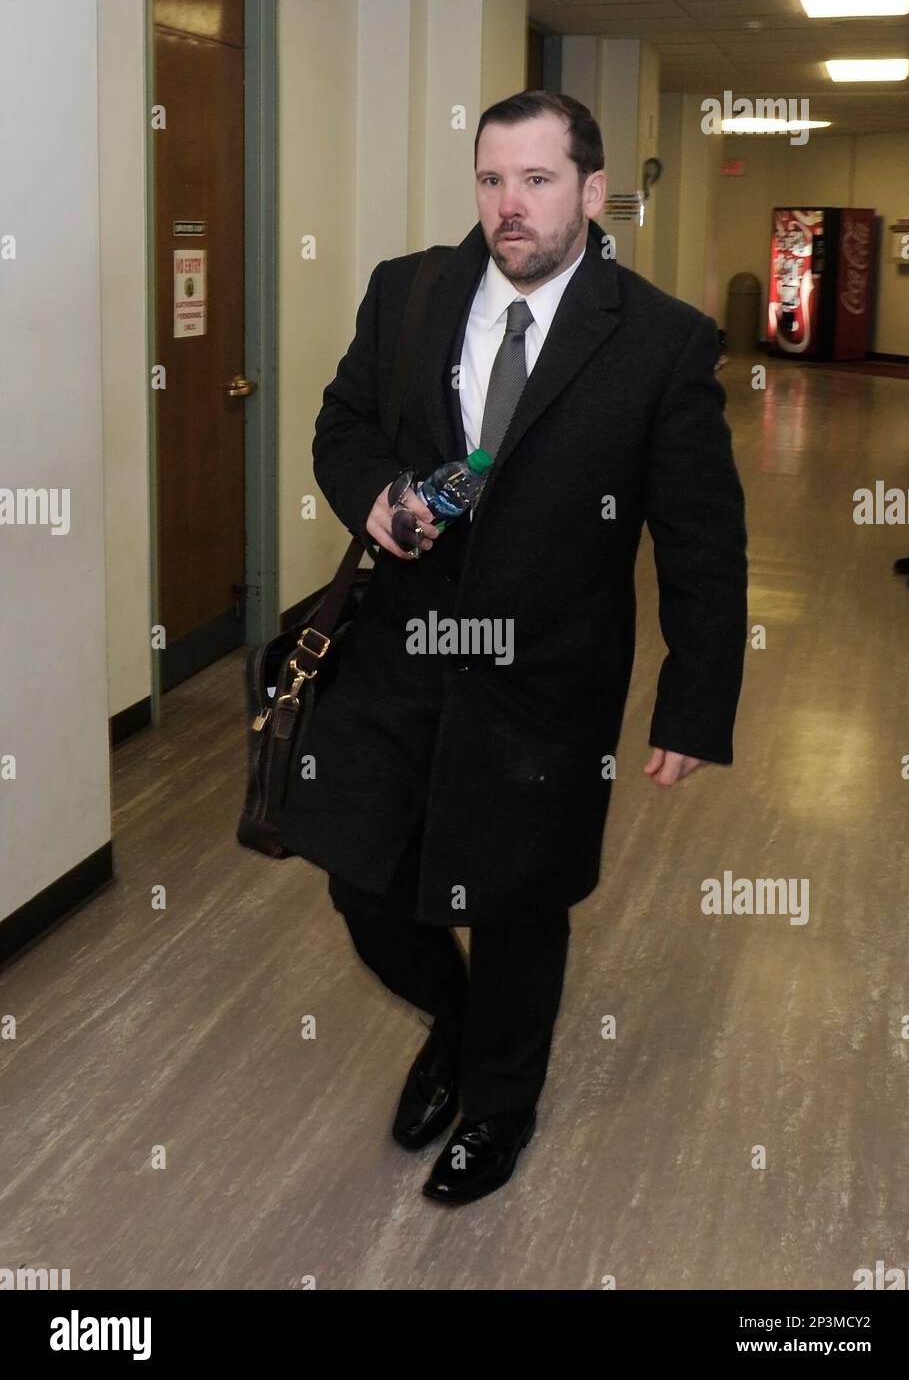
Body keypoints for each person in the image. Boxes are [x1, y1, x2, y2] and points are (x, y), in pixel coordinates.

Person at [278, 90, 748, 1206]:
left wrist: (694, 704)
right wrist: (376, 500)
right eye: (492, 180)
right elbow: (339, 429)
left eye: (537, 181)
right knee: (365, 883)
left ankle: (499, 1105)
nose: (510, 206)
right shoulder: (409, 293)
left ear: (591, 190)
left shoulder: (663, 343)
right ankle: (454, 1018)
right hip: (400, 654)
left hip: (548, 685)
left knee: (518, 908)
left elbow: (701, 544)